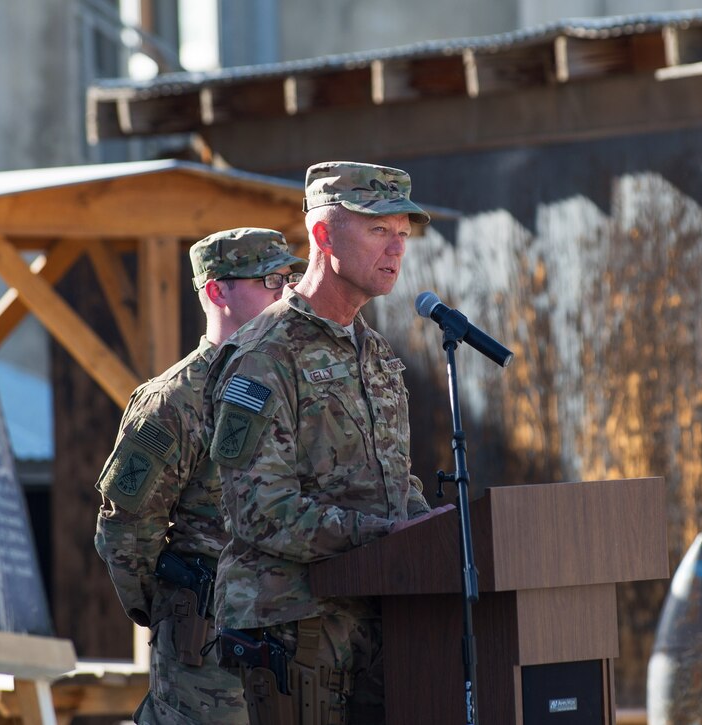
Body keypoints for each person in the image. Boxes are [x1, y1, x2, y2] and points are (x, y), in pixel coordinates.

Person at [208, 162, 453, 723]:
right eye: (377, 230)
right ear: (322, 235)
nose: (395, 250)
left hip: (383, 618)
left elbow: (394, 484)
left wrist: (435, 530)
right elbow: (258, 510)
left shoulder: (378, 356)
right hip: (294, 626)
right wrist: (386, 536)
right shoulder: (263, 354)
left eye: (402, 235)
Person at [95, 227, 305, 724]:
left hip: (290, 642)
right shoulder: (174, 400)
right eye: (269, 279)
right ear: (216, 290)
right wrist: (177, 606)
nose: (286, 291)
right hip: (207, 656)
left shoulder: (288, 381)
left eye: (289, 278)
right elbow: (126, 530)